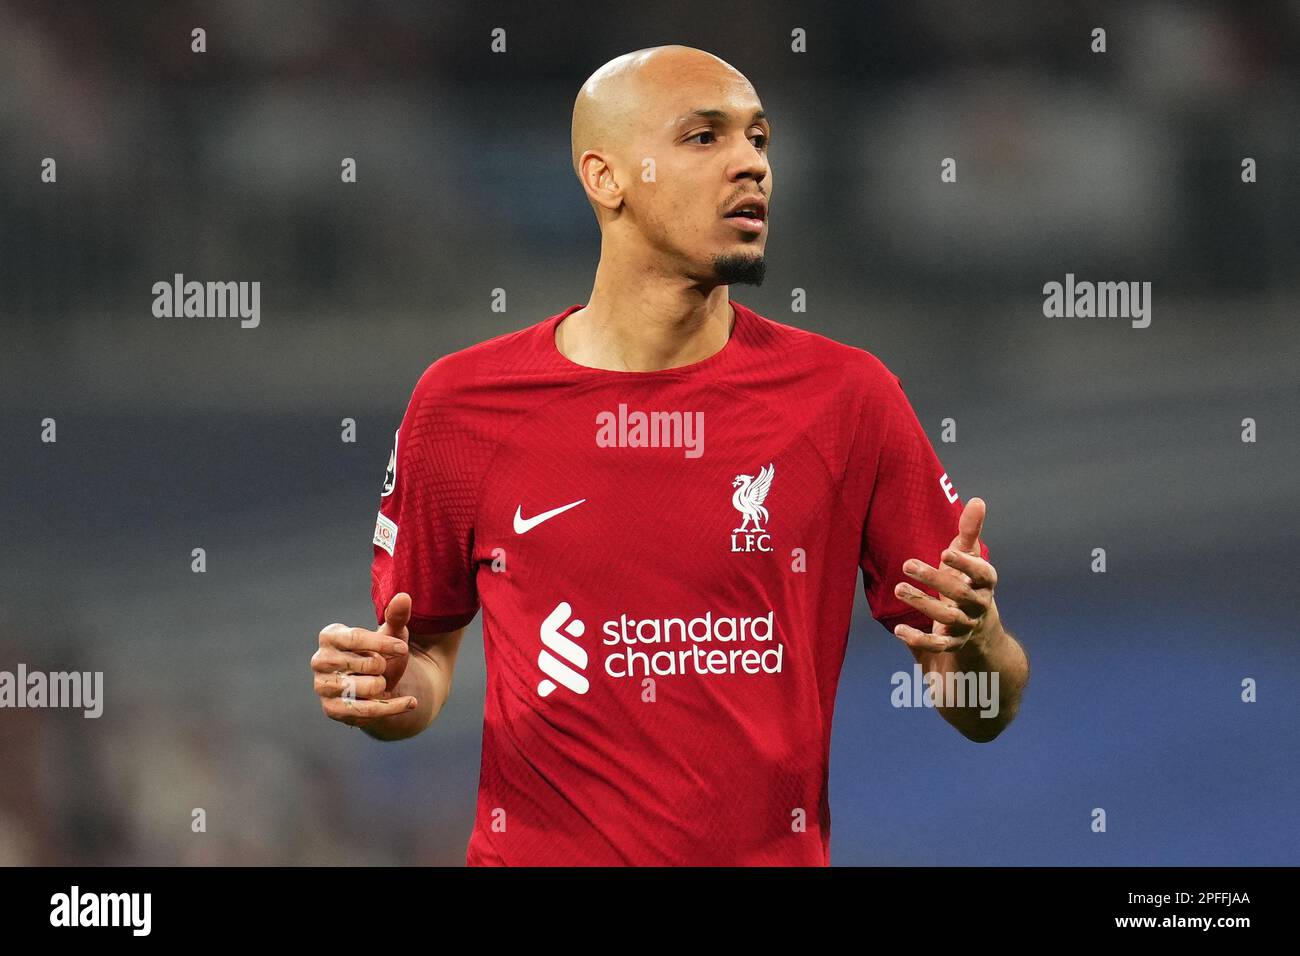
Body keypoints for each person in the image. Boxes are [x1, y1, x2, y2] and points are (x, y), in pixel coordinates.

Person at [311, 44, 1029, 866]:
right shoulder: (462, 404)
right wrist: (389, 694)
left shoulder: (847, 399)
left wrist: (976, 641)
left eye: (758, 139)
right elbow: (426, 661)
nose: (751, 166)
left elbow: (983, 708)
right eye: (704, 138)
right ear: (606, 177)